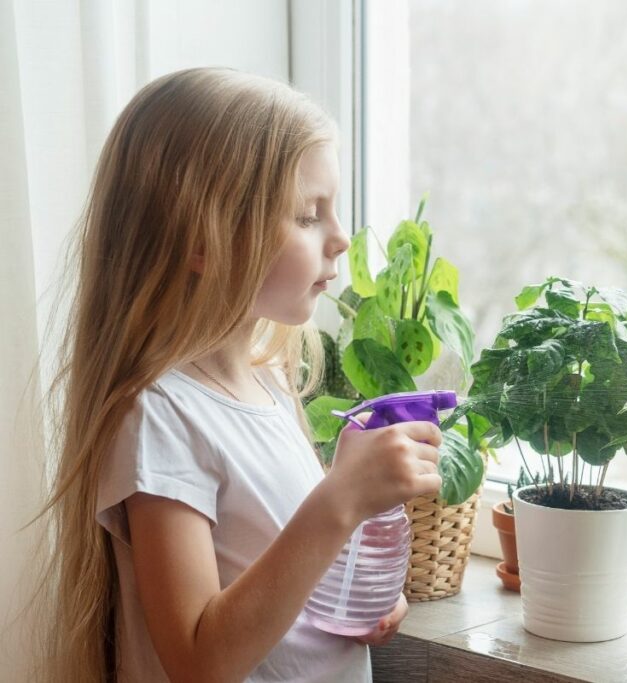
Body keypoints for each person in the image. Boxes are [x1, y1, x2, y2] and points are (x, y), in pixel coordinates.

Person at [36, 67, 442, 682]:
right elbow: (202, 660)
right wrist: (338, 500)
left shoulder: (270, 387)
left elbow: (274, 570)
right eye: (309, 215)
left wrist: (362, 594)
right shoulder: (159, 417)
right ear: (204, 240)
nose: (339, 238)